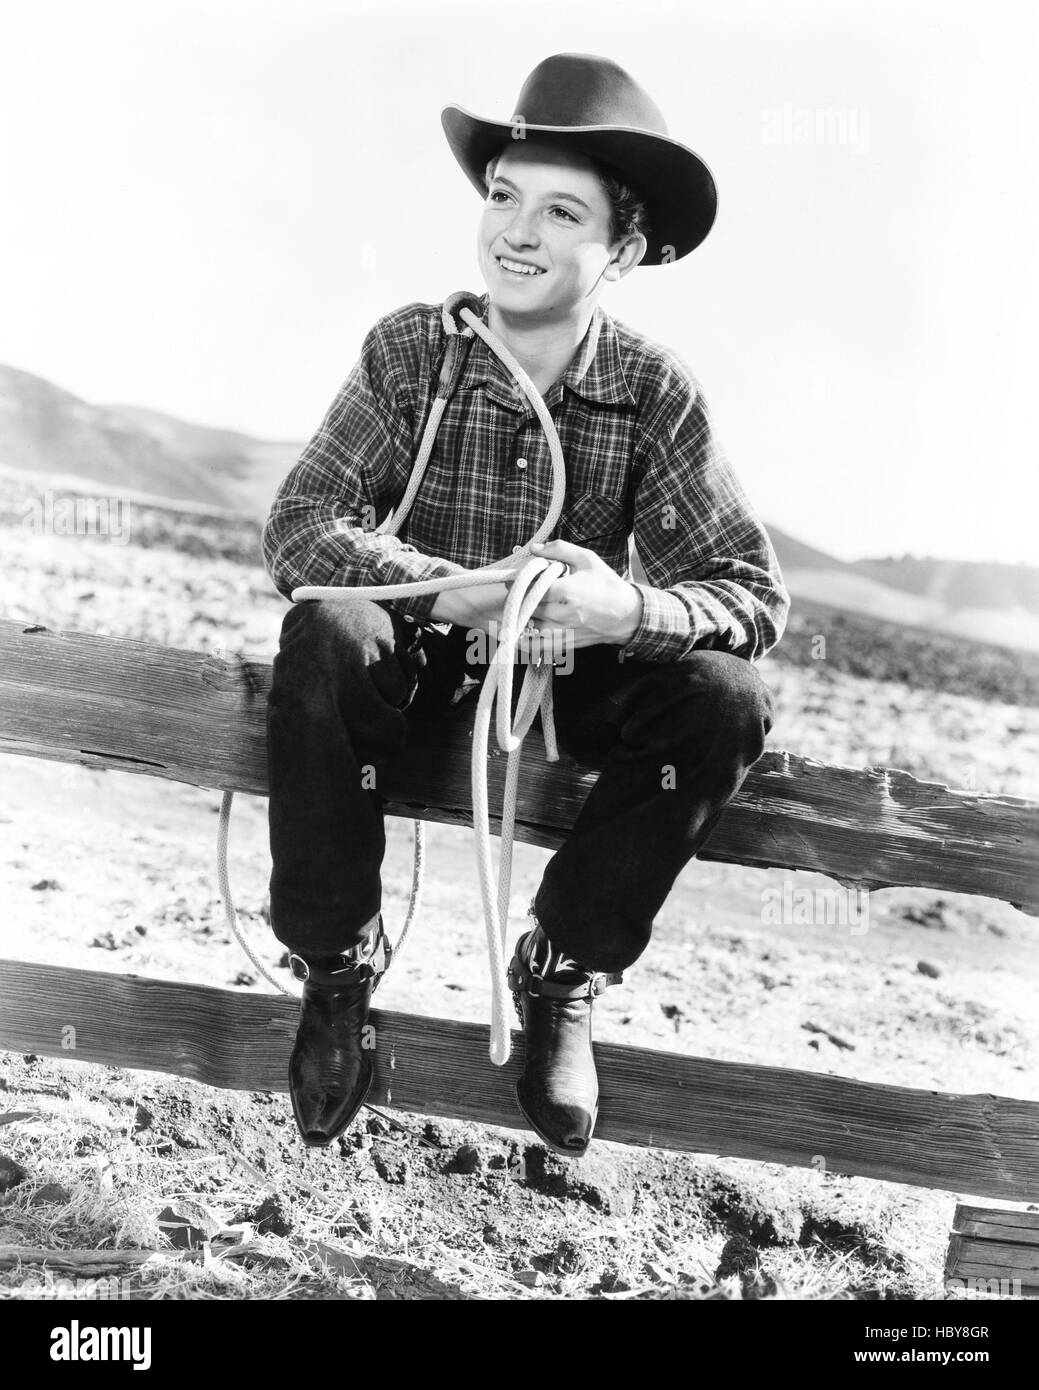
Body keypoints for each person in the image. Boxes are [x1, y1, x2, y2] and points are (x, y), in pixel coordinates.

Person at [261, 53, 789, 1158]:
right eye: (503, 196)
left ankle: (562, 968)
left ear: (625, 251)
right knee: (328, 627)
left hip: (558, 681)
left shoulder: (653, 389)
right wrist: (454, 589)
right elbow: (300, 525)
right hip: (410, 667)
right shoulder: (413, 349)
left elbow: (748, 595)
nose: (517, 230)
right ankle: (338, 962)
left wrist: (619, 610)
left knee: (723, 696)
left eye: (561, 212)